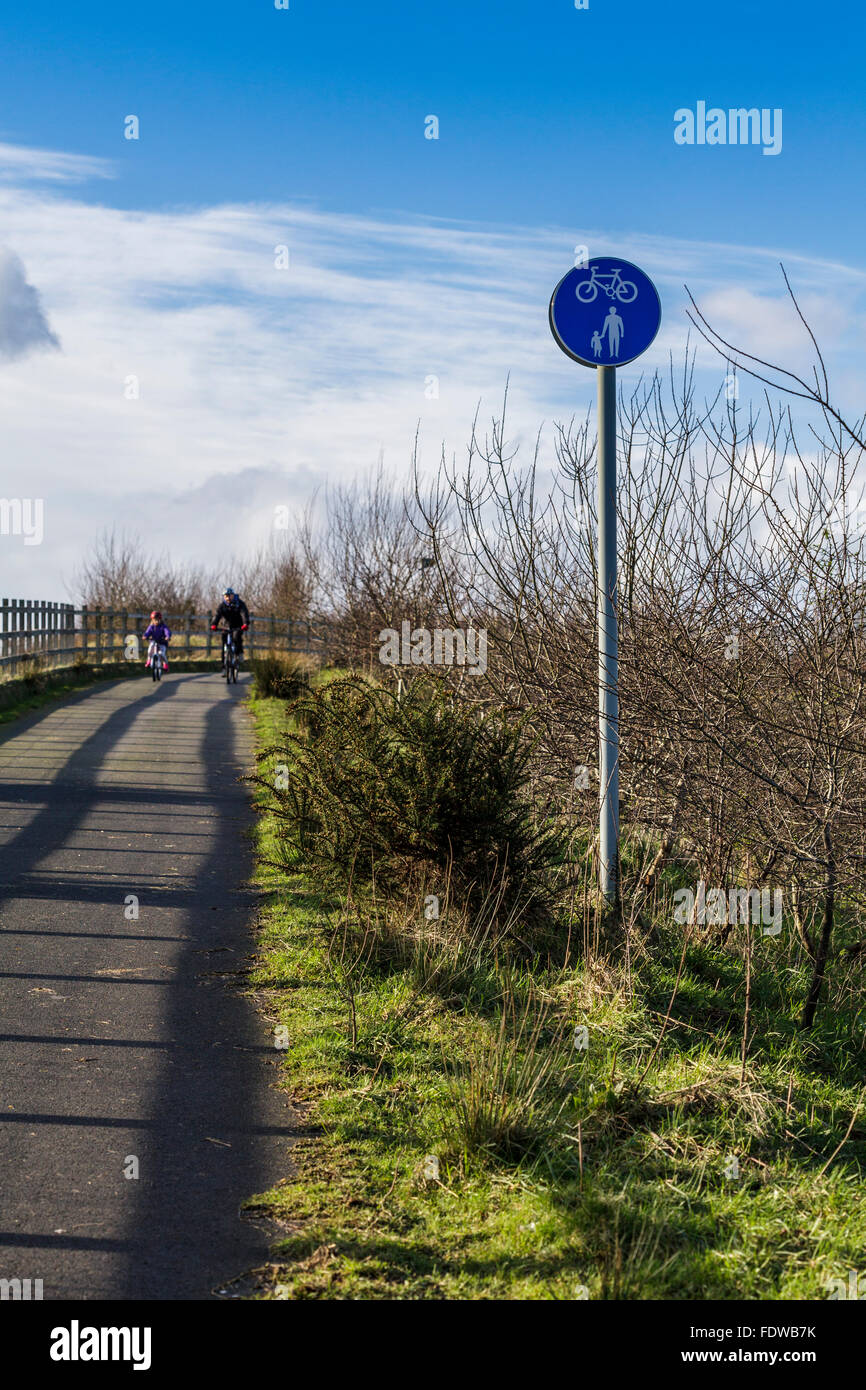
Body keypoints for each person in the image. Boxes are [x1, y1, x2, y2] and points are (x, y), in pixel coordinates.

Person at [210, 587, 250, 667]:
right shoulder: (222, 605)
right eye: (226, 596)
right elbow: (217, 615)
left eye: (229, 596)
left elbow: (244, 614)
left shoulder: (239, 604)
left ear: (233, 595)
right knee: (224, 644)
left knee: (236, 637)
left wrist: (245, 623)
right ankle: (224, 666)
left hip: (238, 625)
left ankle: (239, 653)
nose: (228, 598)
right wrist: (214, 624)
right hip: (226, 626)